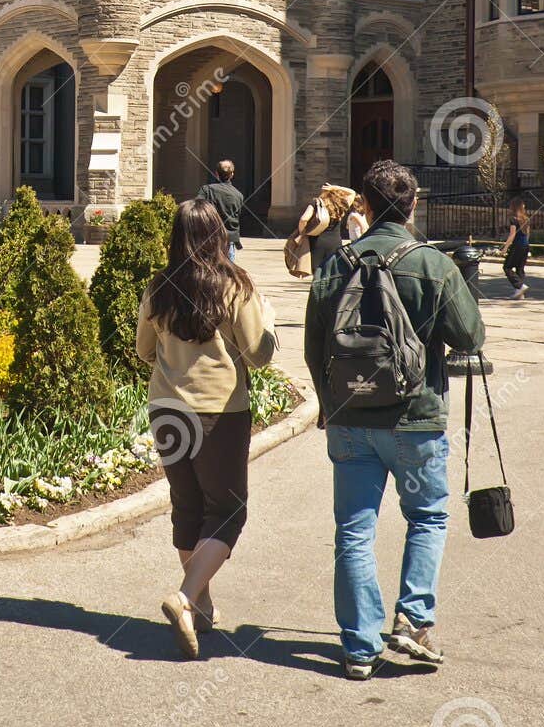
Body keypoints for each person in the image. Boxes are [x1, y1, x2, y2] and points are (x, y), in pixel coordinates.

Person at [304, 159, 485, 679]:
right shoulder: (432, 264)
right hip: (415, 418)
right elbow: (470, 337)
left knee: (353, 532)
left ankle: (360, 648)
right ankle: (413, 620)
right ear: (413, 205)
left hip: (349, 418)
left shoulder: (335, 265)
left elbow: (314, 348)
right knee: (426, 517)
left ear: (363, 204)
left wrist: (328, 406)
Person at [136, 197, 277, 659]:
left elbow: (143, 351)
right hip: (219, 411)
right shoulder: (235, 285)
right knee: (229, 511)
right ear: (218, 235)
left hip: (167, 409)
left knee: (189, 506)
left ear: (175, 237)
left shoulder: (159, 286)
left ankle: (200, 604)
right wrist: (268, 320)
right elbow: (259, 353)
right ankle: (185, 596)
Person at [293, 182, 365, 277]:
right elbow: (352, 193)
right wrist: (335, 187)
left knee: (318, 273)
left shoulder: (316, 204)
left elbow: (303, 219)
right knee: (332, 272)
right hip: (335, 243)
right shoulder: (340, 205)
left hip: (317, 242)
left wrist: (302, 233)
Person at [195, 160, 244, 260]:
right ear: (232, 175)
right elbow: (238, 216)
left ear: (216, 173)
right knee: (228, 268)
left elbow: (197, 207)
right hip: (229, 240)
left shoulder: (206, 190)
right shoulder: (239, 195)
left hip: (210, 239)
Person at [503, 196, 530, 300]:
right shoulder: (526, 219)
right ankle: (520, 293)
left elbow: (512, 234)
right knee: (520, 269)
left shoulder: (513, 219)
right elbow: (528, 234)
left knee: (507, 267)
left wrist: (505, 248)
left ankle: (520, 286)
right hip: (525, 246)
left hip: (517, 246)